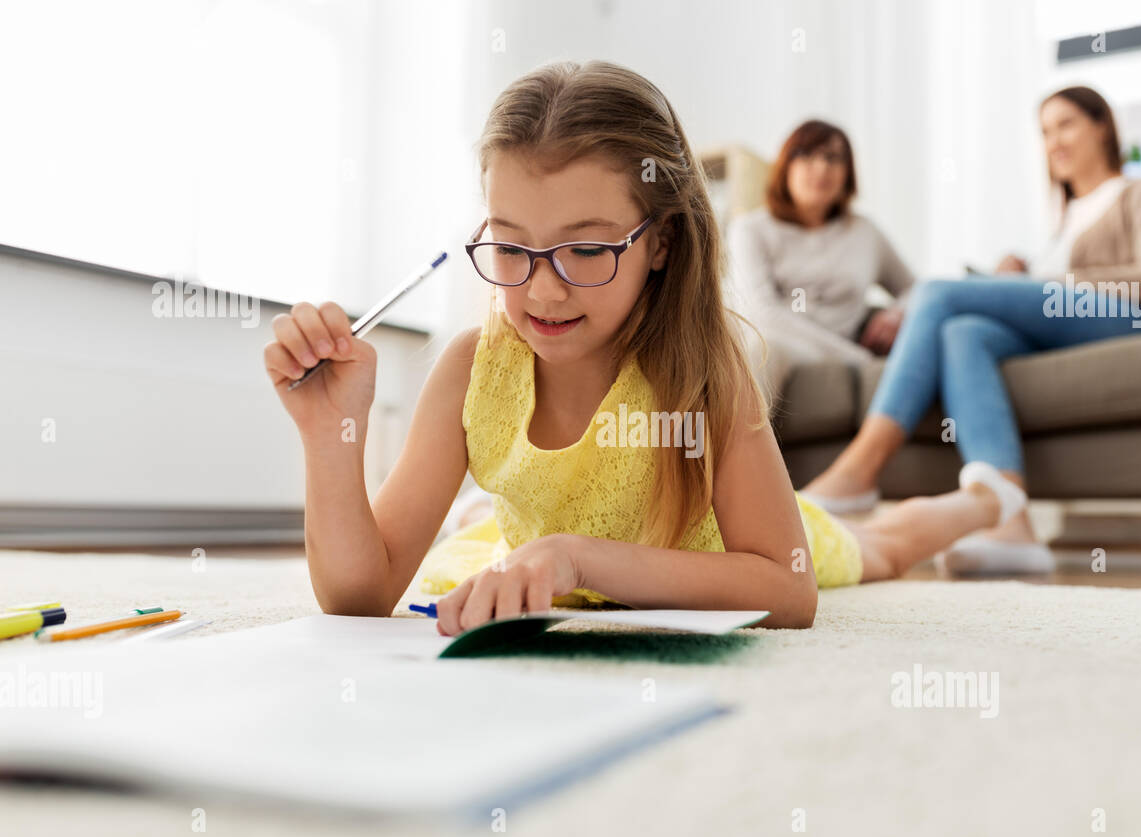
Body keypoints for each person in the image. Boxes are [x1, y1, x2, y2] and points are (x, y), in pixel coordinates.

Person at [264, 61, 1032, 636]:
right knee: (481, 547)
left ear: (661, 241)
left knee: (884, 545)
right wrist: (330, 435)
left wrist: (579, 557)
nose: (542, 292)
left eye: (587, 251)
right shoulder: (472, 370)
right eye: (510, 247)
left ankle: (983, 496)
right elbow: (359, 597)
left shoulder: (701, 371)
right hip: (565, 559)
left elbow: (789, 589)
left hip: (726, 551)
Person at [800, 86, 1141, 574]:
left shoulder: (1140, 190)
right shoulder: (1066, 216)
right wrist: (1022, 269)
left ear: (1102, 126)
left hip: (1132, 319)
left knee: (938, 294)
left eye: (1066, 124)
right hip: (1068, 314)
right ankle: (1012, 522)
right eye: (1045, 131)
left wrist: (1046, 283)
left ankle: (859, 471)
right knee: (962, 332)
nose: (1054, 140)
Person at [728, 119, 915, 410]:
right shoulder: (749, 229)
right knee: (765, 348)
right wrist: (858, 359)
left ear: (847, 173)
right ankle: (731, 453)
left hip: (829, 358)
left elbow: (918, 288)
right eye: (806, 155)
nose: (821, 167)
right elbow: (761, 315)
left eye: (833, 158)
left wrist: (897, 314)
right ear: (785, 166)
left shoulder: (866, 234)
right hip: (780, 344)